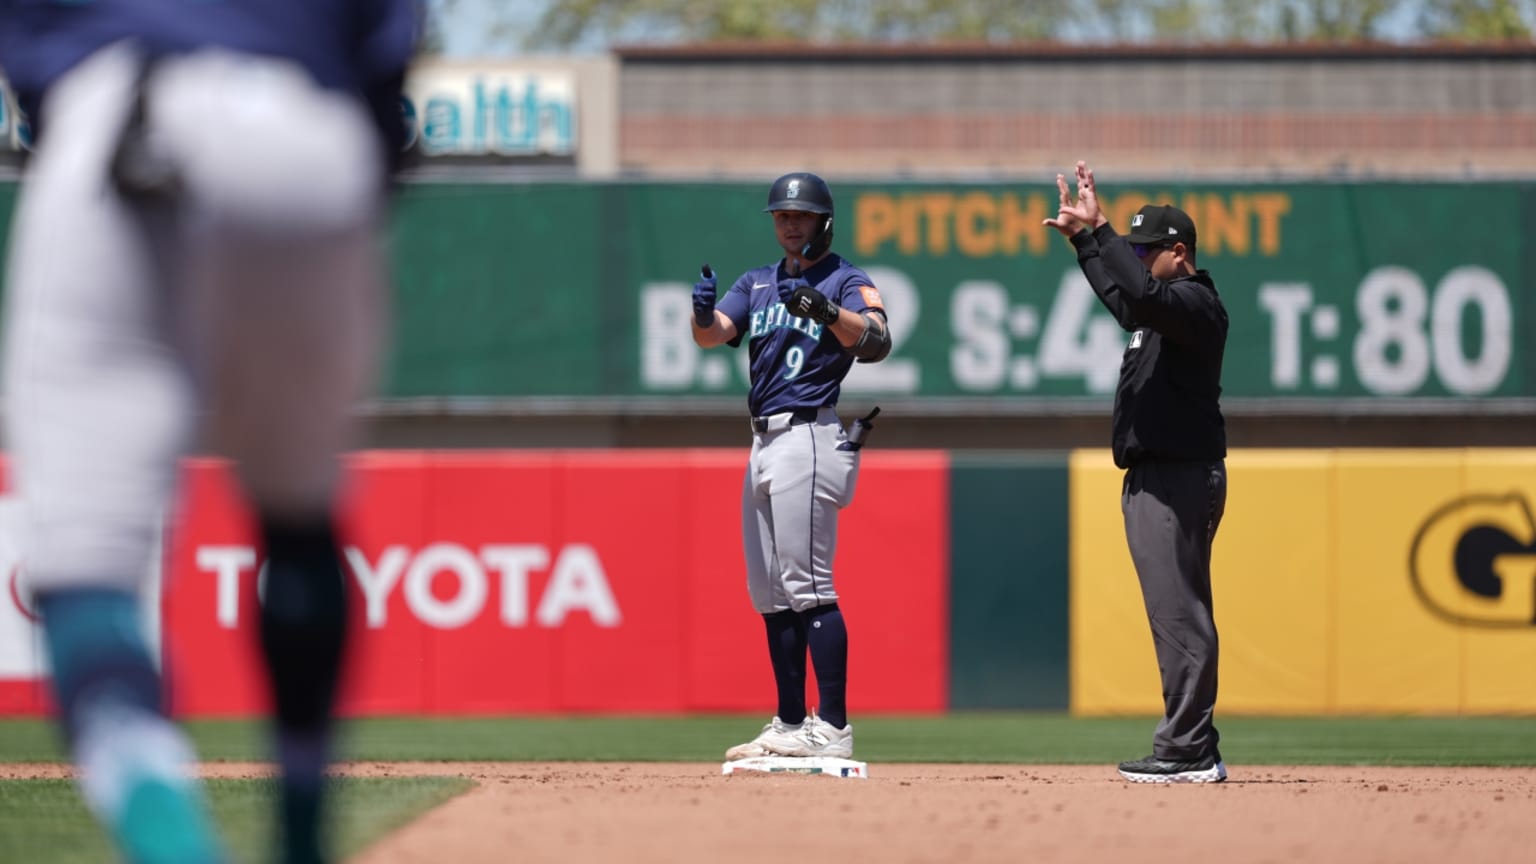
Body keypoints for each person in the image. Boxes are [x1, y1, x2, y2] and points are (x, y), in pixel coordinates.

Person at [0, 2, 420, 861]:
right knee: (299, 516)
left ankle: (175, 847)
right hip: (314, 132)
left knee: (86, 572)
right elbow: (389, 51)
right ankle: (301, 837)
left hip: (124, 116)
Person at [691, 172, 891, 762]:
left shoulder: (847, 278)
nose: (790, 223)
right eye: (782, 215)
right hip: (761, 442)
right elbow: (713, 337)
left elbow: (877, 340)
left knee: (808, 586)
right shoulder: (757, 281)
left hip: (808, 432)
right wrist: (702, 315)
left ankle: (831, 726)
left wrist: (829, 310)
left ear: (825, 219)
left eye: (801, 214)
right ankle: (786, 722)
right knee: (770, 591)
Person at [1045, 161, 1229, 784]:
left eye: (1146, 249)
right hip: (1160, 477)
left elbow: (1143, 296)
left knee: (1180, 614)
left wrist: (1103, 231)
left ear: (1179, 253)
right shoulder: (1159, 313)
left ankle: (1188, 750)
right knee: (1175, 611)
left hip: (1178, 475)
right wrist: (1085, 242)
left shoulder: (1197, 305)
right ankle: (1192, 742)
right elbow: (1126, 300)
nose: (1139, 258)